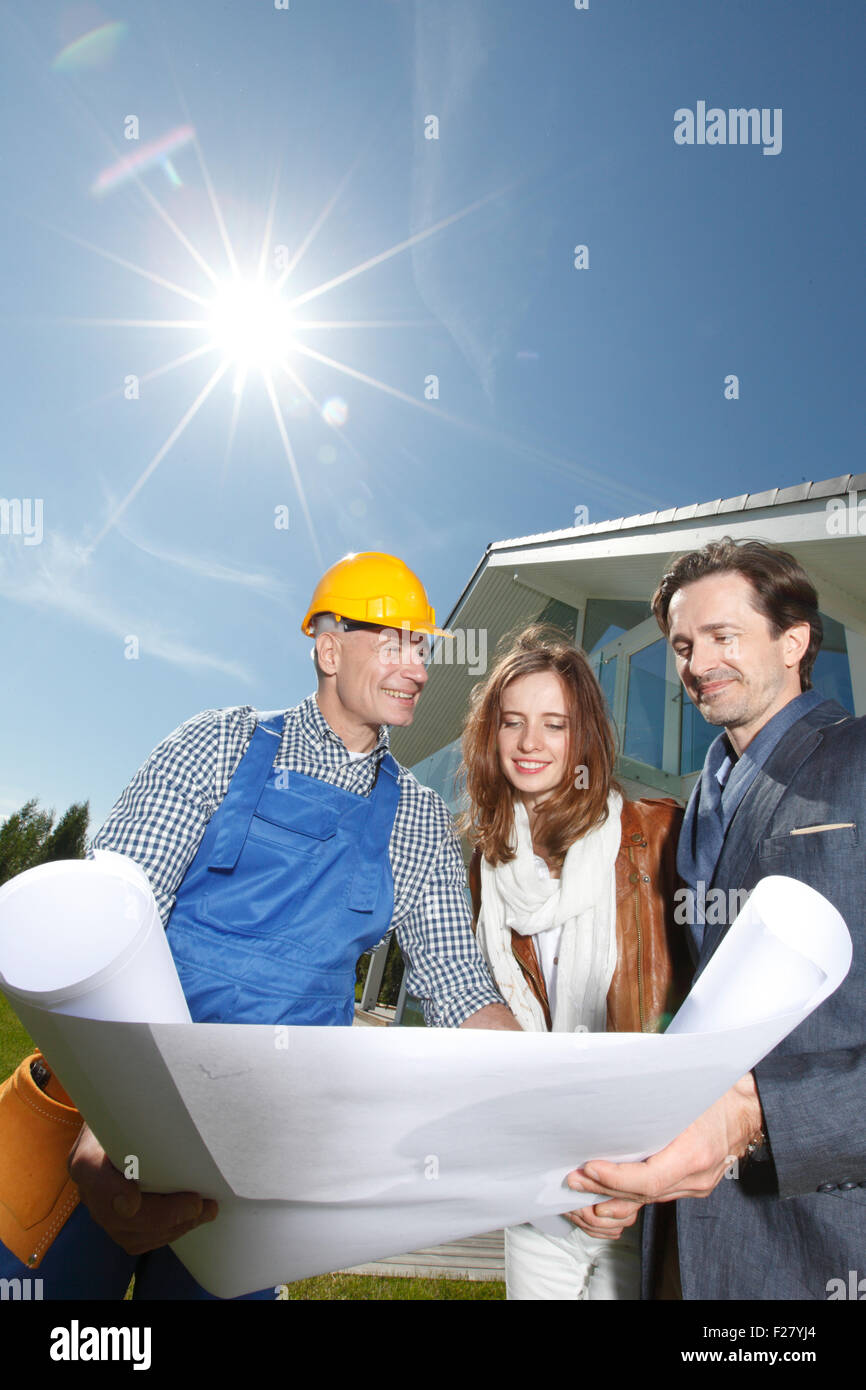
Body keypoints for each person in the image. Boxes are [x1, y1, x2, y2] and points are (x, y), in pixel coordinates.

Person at [0, 551, 518, 1300]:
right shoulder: (216, 745)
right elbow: (108, 925)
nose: (419, 666)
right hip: (98, 1126)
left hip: (253, 1153)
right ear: (330, 646)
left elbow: (462, 990)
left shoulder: (418, 820)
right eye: (397, 640)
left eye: (425, 647)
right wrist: (116, 1116)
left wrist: (562, 1116)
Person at [566, 538, 866, 1301]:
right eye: (682, 645)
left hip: (825, 1237)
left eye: (724, 636)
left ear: (794, 640)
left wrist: (755, 1113)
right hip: (686, 1237)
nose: (698, 664)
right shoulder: (694, 804)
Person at [460, 626, 691, 1300]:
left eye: (554, 724)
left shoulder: (656, 837)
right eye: (514, 722)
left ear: (582, 736)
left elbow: (702, 1005)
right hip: (539, 1177)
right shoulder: (486, 864)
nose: (531, 743)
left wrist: (655, 1166)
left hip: (645, 1178)